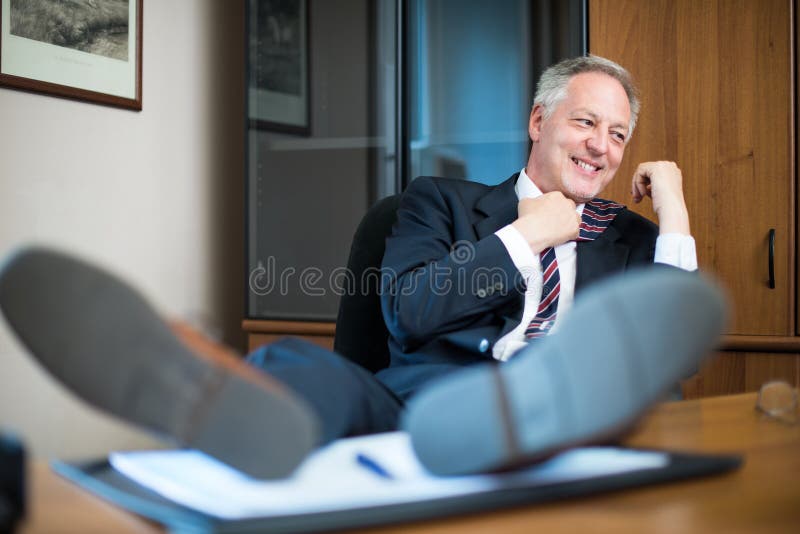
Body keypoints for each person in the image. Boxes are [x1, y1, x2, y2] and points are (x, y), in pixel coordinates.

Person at [0, 56, 724, 480]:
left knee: (581, 400)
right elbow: (410, 311)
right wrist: (525, 237)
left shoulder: (631, 239)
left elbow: (668, 351)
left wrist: (677, 208)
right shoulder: (438, 202)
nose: (602, 145)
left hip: (560, 413)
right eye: (586, 122)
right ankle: (205, 395)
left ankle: (504, 424)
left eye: (619, 134)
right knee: (311, 374)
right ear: (539, 122)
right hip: (420, 406)